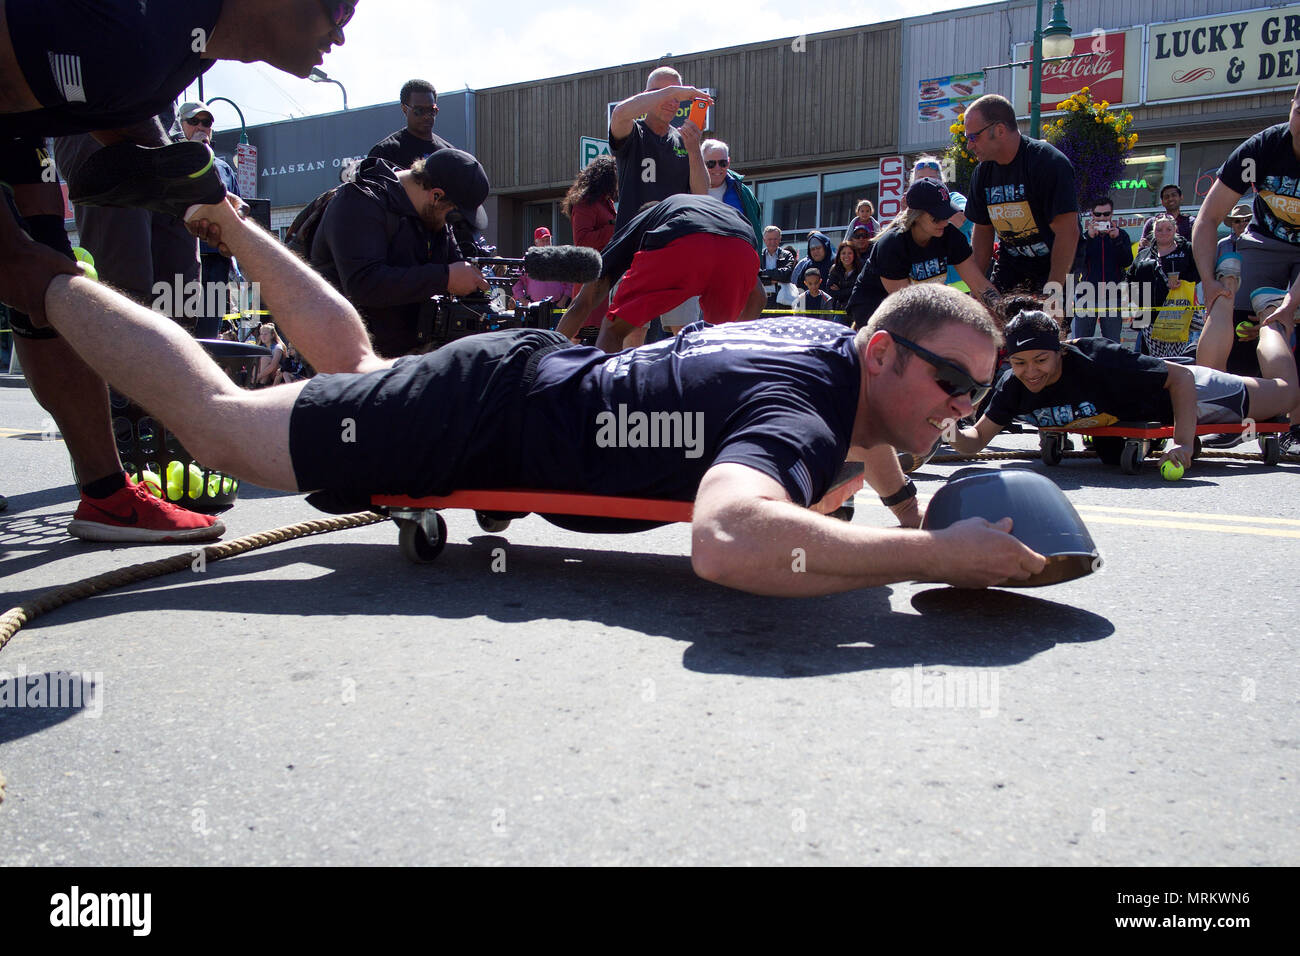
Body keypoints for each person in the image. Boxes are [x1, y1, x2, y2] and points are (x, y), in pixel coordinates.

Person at [6, 195, 1049, 593]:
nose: (961, 407)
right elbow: (726, 538)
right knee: (222, 430)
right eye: (951, 383)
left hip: (520, 374)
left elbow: (875, 439)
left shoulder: (837, 355)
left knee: (362, 370)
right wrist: (933, 554)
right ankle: (30, 267)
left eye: (975, 390)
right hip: (482, 417)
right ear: (881, 354)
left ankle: (231, 223)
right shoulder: (807, 405)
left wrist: (905, 502)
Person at [0, 0, 355, 543]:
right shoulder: (132, 30)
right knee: (24, 267)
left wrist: (185, 185)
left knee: (43, 276)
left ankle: (106, 497)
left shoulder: (182, 46)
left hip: (18, 126)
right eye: (340, 10)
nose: (341, 36)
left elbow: (117, 102)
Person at [952, 304, 1298, 475]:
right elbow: (974, 442)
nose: (1030, 372)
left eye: (1040, 359)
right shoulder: (1014, 384)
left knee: (1286, 393)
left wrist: (1181, 441)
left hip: (1188, 393)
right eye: (1019, 362)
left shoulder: (1098, 357)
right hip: (1137, 412)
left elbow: (1180, 379)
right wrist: (943, 424)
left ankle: (1272, 322)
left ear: (1060, 350)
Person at [308, 149, 490, 358]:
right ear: (436, 195)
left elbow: (455, 266)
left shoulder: (431, 214)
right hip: (348, 362)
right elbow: (363, 284)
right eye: (453, 215)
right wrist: (445, 277)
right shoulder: (359, 201)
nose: (452, 225)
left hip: (402, 361)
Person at [1192, 83, 1300, 392]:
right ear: (1291, 104)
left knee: (1278, 321)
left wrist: (1291, 304)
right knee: (1232, 307)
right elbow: (1208, 218)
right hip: (1264, 243)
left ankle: (1293, 424)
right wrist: (1209, 283)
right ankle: (1214, 402)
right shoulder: (1261, 149)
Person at [561, 193, 766, 353]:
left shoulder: (638, 225)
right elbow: (759, 296)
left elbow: (583, 302)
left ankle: (600, 403)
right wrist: (736, 338)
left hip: (683, 242)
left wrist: (543, 353)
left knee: (613, 328)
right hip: (741, 247)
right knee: (718, 339)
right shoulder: (692, 207)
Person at [962, 94, 1079, 300]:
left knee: (1045, 330)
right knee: (992, 325)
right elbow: (982, 231)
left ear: (999, 130)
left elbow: (1067, 233)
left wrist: (1052, 294)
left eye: (973, 137)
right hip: (1012, 265)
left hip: (1055, 265)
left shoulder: (1048, 163)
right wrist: (977, 289)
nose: (969, 145)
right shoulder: (982, 173)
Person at [846, 179, 1001, 329]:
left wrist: (1005, 311)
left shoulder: (950, 235)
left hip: (916, 310)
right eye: (937, 218)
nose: (945, 223)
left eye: (947, 215)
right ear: (917, 215)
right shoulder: (892, 245)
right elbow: (908, 306)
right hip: (876, 312)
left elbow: (979, 285)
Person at [607, 67, 711, 234]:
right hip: (634, 242)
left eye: (677, 97)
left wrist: (694, 149)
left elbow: (702, 193)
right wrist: (672, 91)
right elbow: (619, 114)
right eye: (663, 93)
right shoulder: (634, 132)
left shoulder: (684, 140)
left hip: (673, 242)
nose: (671, 101)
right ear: (647, 95)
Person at [177, 101, 242, 338]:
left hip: (215, 260)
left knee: (208, 334)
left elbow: (237, 215)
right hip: (180, 257)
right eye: (193, 122)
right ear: (180, 125)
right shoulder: (169, 161)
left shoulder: (224, 167)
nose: (201, 127)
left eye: (206, 123)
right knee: (179, 330)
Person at [554, 156, 618, 342]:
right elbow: (582, 240)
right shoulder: (585, 203)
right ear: (606, 178)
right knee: (580, 333)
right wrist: (613, 228)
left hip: (603, 276)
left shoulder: (605, 202)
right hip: (590, 276)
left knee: (594, 334)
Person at [1129, 213, 1199, 355]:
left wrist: (1183, 280)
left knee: (1176, 360)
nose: (1163, 232)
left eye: (1168, 229)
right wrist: (1134, 306)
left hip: (1177, 315)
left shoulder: (1187, 250)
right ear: (1153, 232)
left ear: (1175, 229)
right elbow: (1130, 279)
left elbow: (1200, 272)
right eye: (1159, 229)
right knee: (1155, 361)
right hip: (1149, 317)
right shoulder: (1144, 254)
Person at [1073, 196, 1133, 342]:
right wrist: (1089, 238)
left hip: (1113, 294)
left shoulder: (1121, 235)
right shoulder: (1084, 237)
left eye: (1106, 214)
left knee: (1112, 342)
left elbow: (1127, 261)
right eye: (1098, 214)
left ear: (1112, 214)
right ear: (1092, 215)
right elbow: (1076, 263)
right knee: (1081, 341)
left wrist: (1116, 239)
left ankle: (1111, 366)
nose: (1102, 218)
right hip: (1087, 294)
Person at [367, 79, 454, 170]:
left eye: (431, 110)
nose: (426, 116)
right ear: (404, 109)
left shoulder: (448, 152)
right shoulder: (385, 152)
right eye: (419, 110)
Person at [700, 138, 762, 244]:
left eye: (722, 163)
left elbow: (755, 232)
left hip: (737, 257)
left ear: (728, 162)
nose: (717, 168)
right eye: (711, 164)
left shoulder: (743, 193)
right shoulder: (688, 190)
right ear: (701, 163)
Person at [509, 227, 571, 310]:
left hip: (557, 305)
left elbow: (570, 282)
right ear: (536, 242)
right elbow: (516, 281)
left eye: (547, 240)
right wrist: (523, 300)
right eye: (542, 240)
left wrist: (563, 301)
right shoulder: (528, 259)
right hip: (534, 306)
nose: (546, 243)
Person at [757, 225, 797, 309]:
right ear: (764, 240)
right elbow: (755, 276)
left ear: (780, 239)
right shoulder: (758, 256)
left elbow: (787, 274)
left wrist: (765, 273)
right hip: (762, 298)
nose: (772, 242)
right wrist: (771, 280)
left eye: (775, 239)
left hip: (782, 299)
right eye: (770, 239)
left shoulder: (787, 255)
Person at [824, 242, 862, 314]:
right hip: (840, 309)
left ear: (854, 255)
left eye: (850, 253)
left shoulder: (861, 269)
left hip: (857, 310)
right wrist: (849, 291)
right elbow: (830, 291)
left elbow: (859, 291)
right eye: (843, 253)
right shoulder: (834, 269)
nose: (846, 256)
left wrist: (840, 291)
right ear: (839, 255)